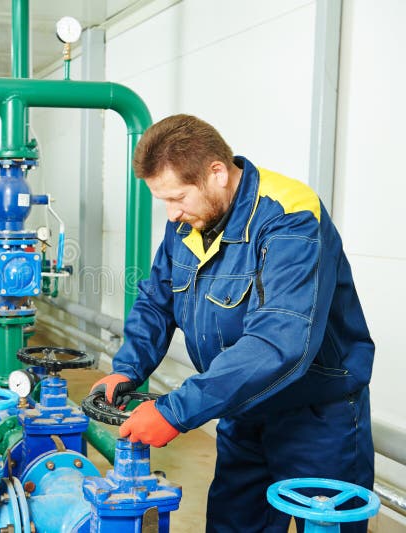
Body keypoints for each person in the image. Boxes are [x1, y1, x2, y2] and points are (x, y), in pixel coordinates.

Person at [90, 114, 374, 531]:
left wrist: (174, 411)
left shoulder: (290, 217)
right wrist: (127, 368)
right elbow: (157, 299)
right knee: (233, 525)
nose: (170, 214)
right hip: (241, 407)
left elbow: (279, 341)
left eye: (177, 197)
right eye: (163, 201)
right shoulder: (191, 221)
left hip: (315, 418)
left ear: (217, 173)